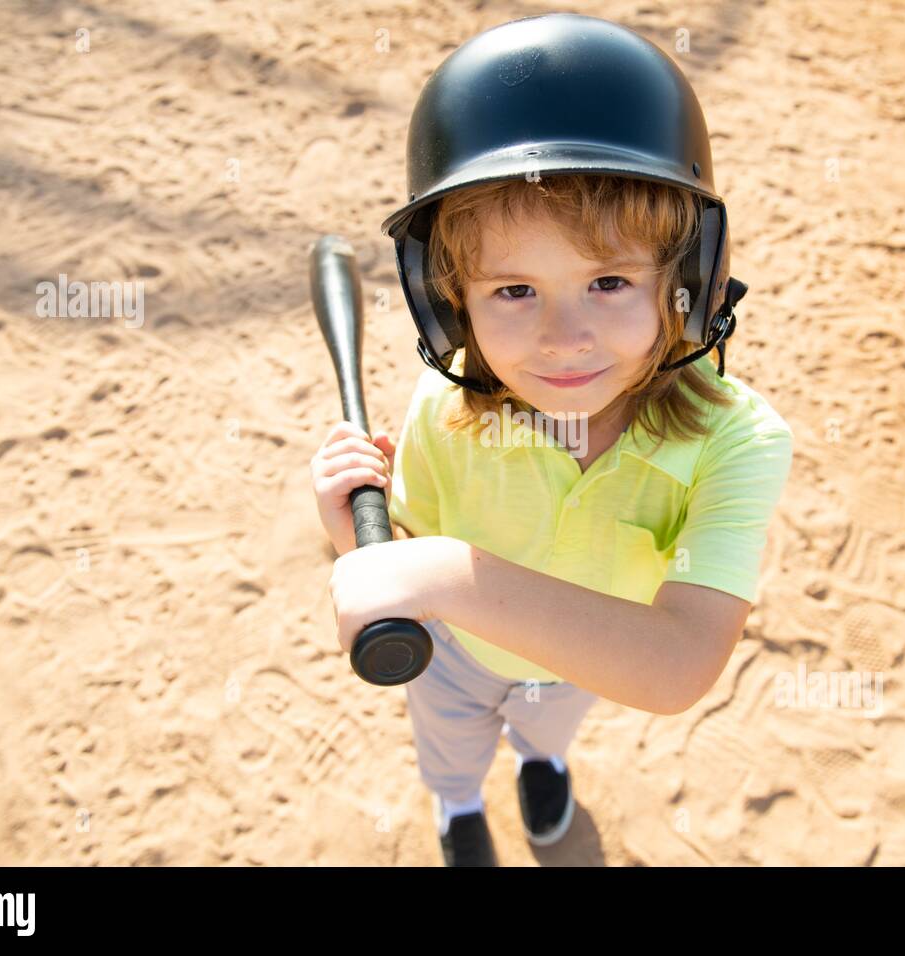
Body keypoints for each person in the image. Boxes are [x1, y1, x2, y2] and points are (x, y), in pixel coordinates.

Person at [311, 14, 793, 866]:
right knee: (450, 749)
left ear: (686, 285)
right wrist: (355, 531)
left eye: (609, 281)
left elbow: (677, 663)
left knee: (546, 726)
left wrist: (443, 575)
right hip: (453, 655)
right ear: (451, 302)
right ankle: (460, 808)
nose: (563, 338)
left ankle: (542, 764)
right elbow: (406, 554)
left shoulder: (736, 441)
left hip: (577, 661)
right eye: (514, 291)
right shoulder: (445, 405)